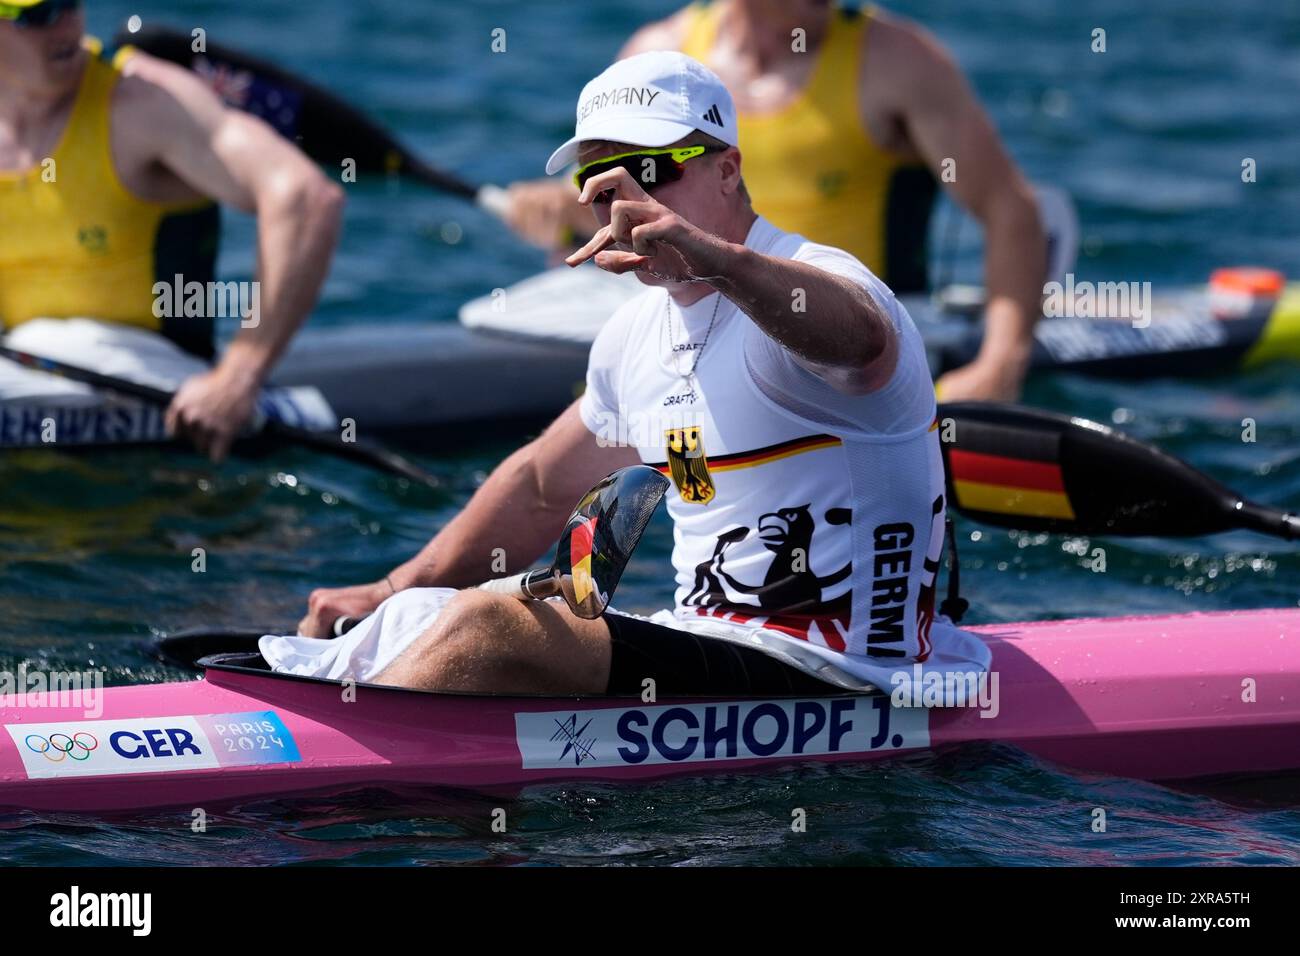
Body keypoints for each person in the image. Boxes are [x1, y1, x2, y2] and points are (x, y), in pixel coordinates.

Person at [281, 51, 990, 699]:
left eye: (651, 173)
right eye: (597, 184)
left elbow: (860, 342)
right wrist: (389, 586)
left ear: (728, 169)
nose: (623, 204)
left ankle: (326, 796)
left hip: (850, 673)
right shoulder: (633, 337)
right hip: (712, 643)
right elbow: (537, 486)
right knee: (412, 613)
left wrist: (709, 255)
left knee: (485, 629)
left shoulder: (822, 288)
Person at [504, 0, 1045, 402]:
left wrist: (1000, 364)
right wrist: (562, 209)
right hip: (694, 323)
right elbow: (633, 189)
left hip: (850, 349)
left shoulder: (898, 61)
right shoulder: (657, 56)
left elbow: (1010, 210)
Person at [0, 0, 343, 459]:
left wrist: (239, 376)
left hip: (157, 373)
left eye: (71, 2)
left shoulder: (144, 102)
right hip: (31, 359)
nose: (67, 24)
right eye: (38, 13)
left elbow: (305, 198)